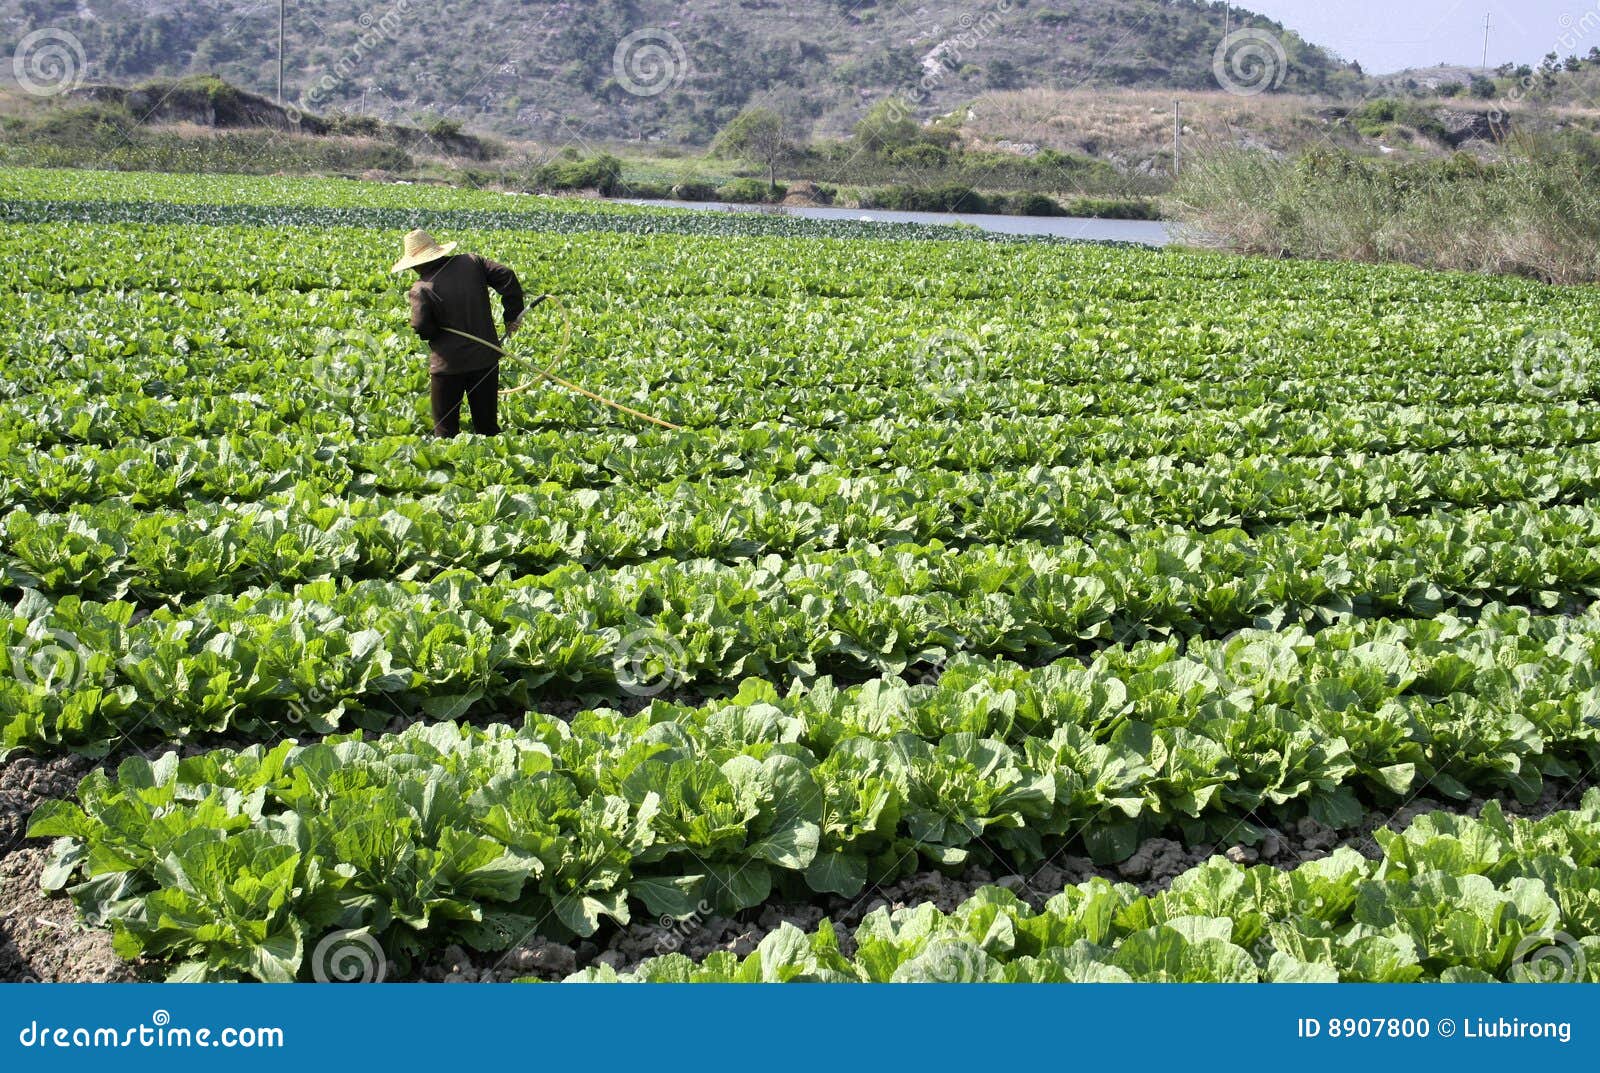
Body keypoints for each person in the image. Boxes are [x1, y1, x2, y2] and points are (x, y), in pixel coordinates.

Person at [391, 229, 524, 437]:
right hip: (485, 359)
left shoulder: (421, 288)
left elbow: (421, 326)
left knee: (445, 431)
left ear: (416, 264)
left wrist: (435, 330)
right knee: (487, 427)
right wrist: (512, 316)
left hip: (448, 366)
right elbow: (506, 276)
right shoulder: (472, 262)